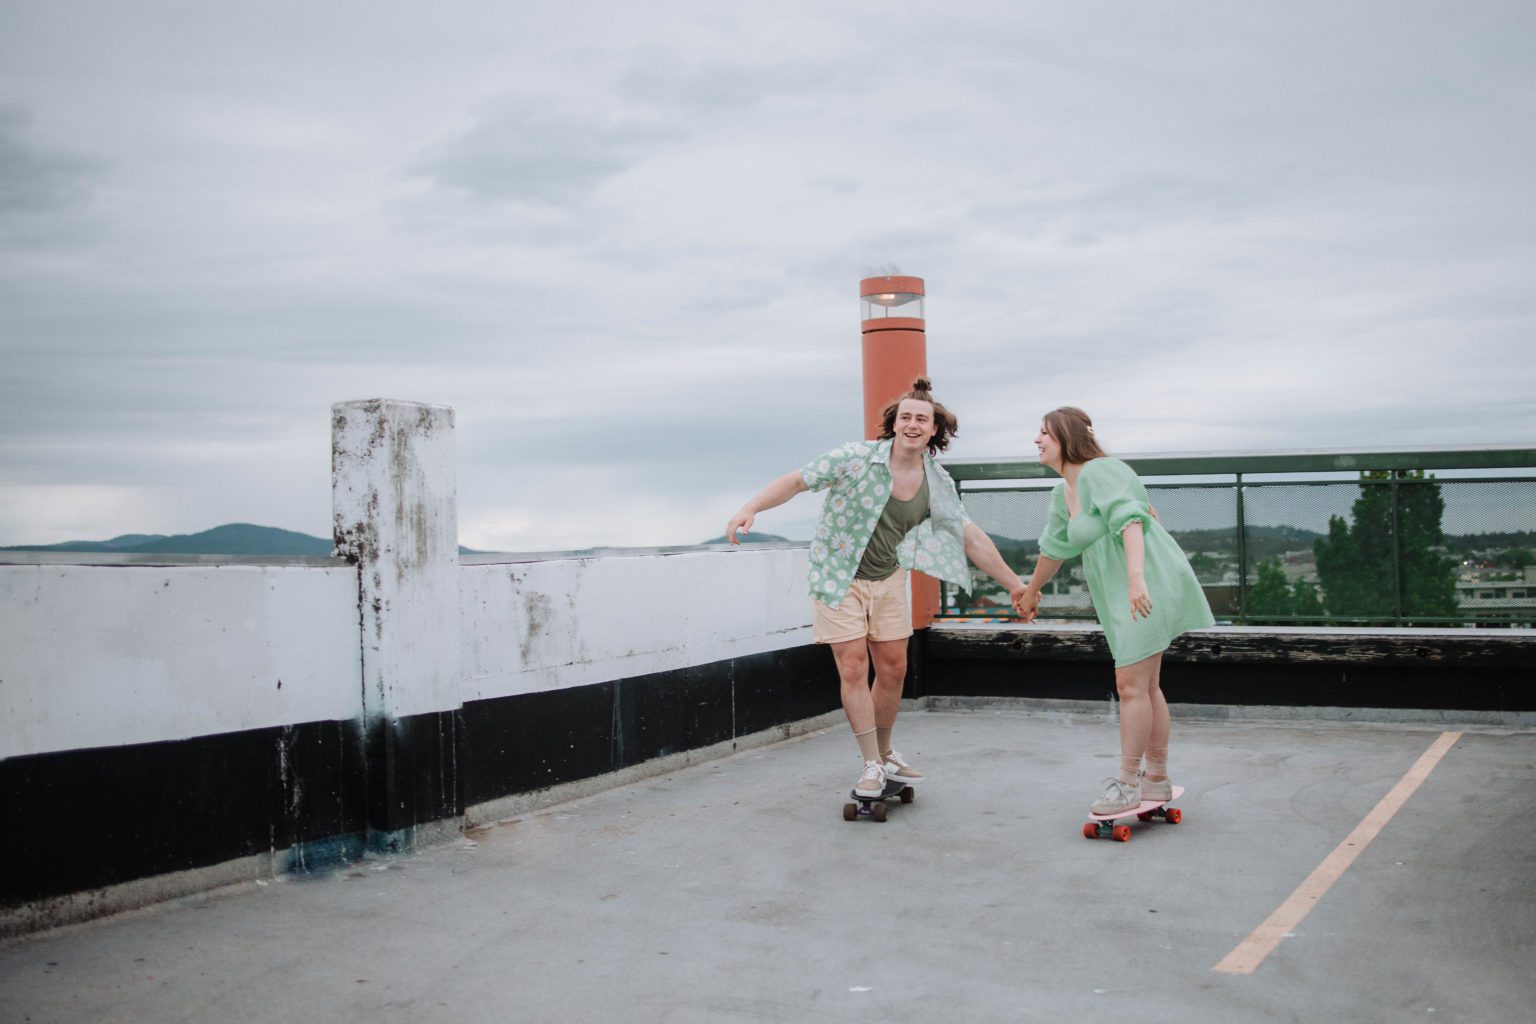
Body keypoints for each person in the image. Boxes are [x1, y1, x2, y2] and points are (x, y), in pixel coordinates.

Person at [727, 378, 1026, 800]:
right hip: (838, 575)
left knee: (893, 668)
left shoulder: (936, 482)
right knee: (853, 665)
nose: (912, 424)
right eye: (905, 417)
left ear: (935, 429)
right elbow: (798, 481)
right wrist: (749, 507)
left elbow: (969, 536)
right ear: (894, 423)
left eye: (922, 419)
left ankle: (886, 754)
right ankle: (870, 763)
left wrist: (1015, 584)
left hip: (888, 577)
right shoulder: (855, 457)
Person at [1013, 407, 1214, 815]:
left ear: (1067, 437)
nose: (1036, 441)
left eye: (1044, 434)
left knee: (1130, 685)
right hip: (1123, 587)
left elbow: (1131, 522)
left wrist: (1137, 579)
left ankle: (1127, 783)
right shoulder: (1062, 493)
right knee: (1146, 684)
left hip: (1146, 579)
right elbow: (1055, 548)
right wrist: (1031, 591)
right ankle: (1155, 780)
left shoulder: (1101, 472)